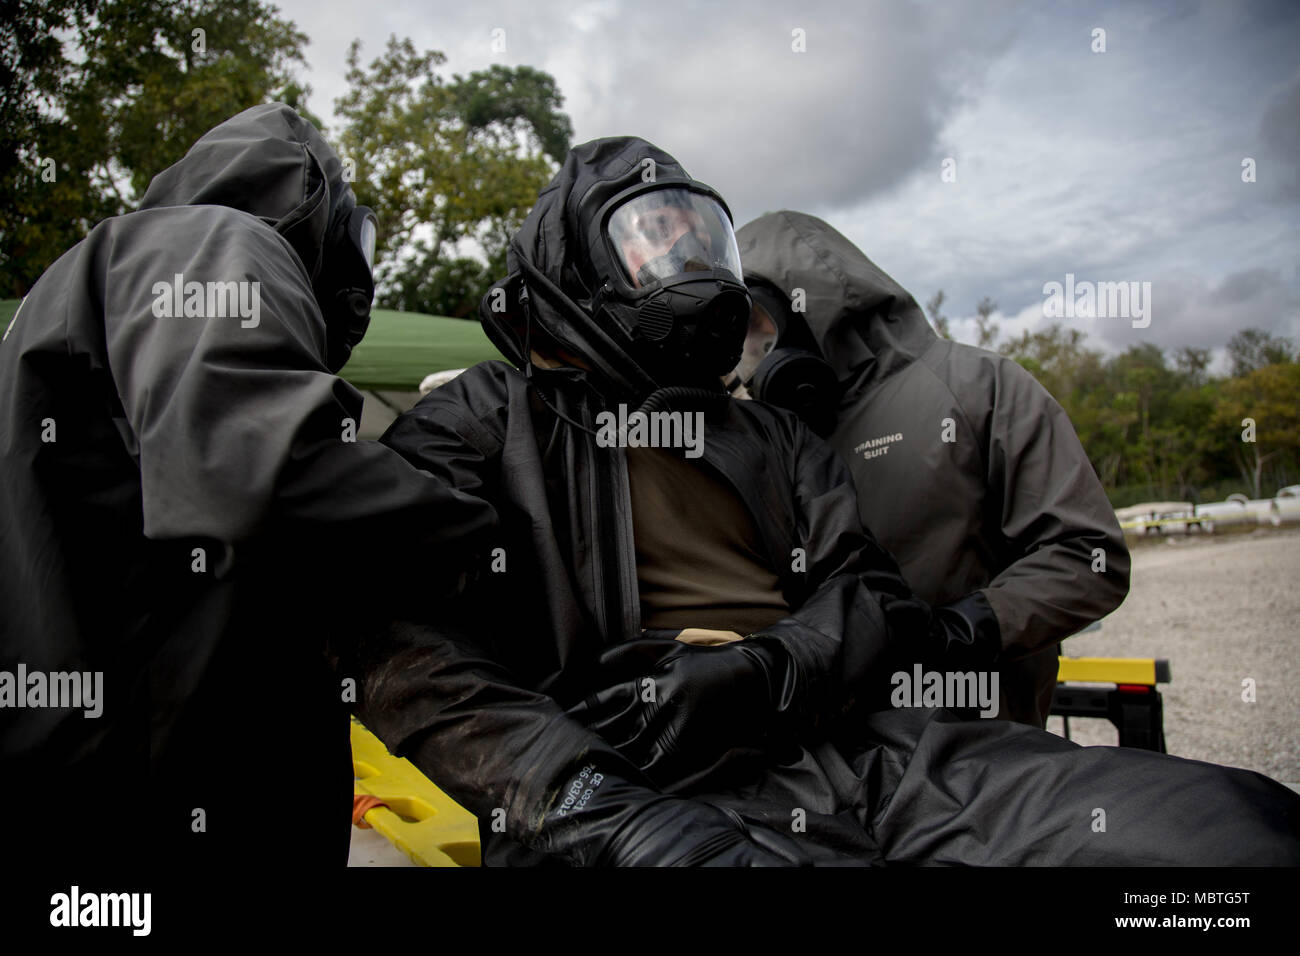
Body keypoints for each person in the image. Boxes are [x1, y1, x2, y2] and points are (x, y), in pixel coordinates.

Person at [353, 135, 1300, 867]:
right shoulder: (483, 420)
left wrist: (771, 668)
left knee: (1232, 837)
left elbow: (874, 597)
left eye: (699, 240)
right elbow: (384, 632)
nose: (688, 263)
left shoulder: (770, 435)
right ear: (575, 266)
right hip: (642, 795)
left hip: (870, 754)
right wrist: (583, 802)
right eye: (653, 242)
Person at [0, 103, 494, 869]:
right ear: (312, 205)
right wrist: (481, 525)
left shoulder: (75, 281)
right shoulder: (213, 240)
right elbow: (267, 473)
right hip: (170, 797)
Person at [732, 211, 1129, 726]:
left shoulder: (978, 386)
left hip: (985, 752)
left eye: (760, 323)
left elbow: (1089, 556)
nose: (752, 350)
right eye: (740, 332)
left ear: (807, 304)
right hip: (825, 769)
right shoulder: (768, 432)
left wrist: (962, 631)